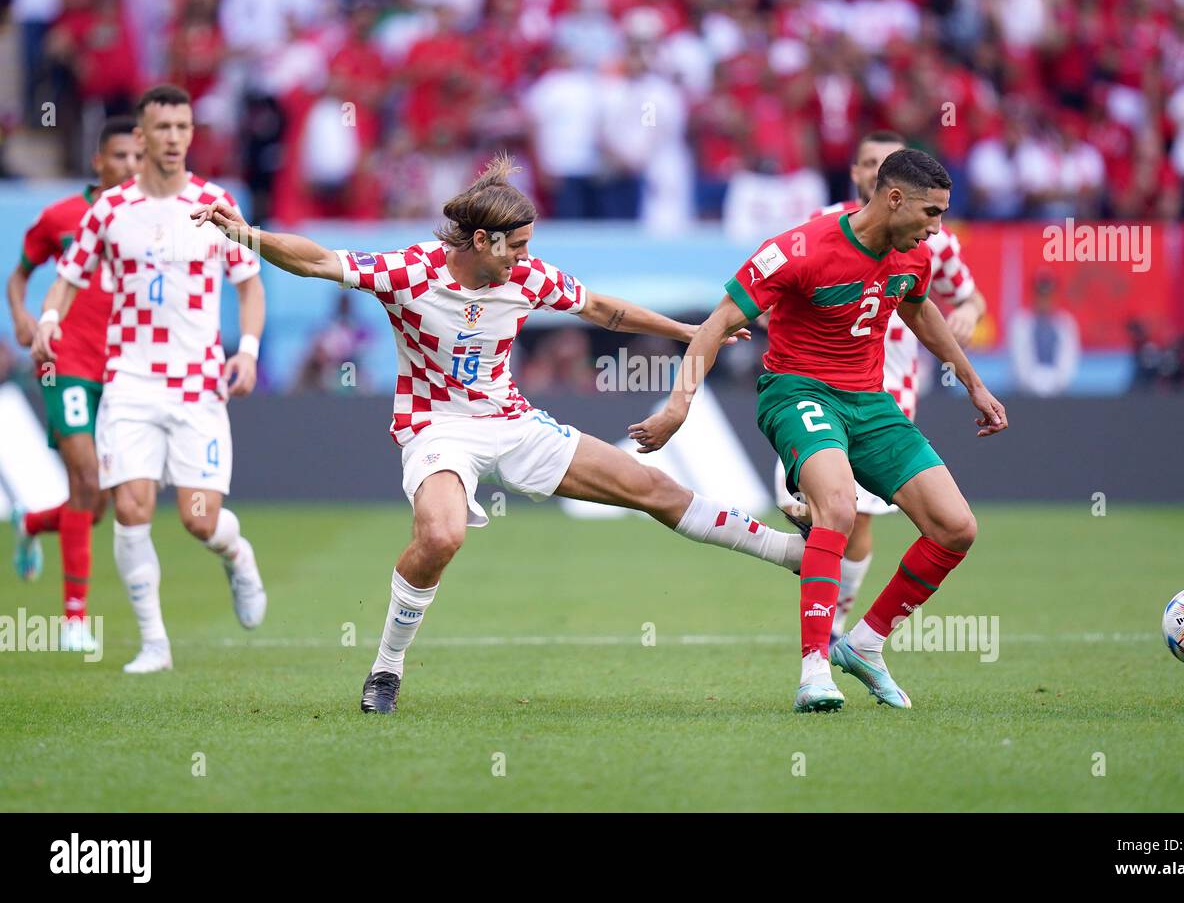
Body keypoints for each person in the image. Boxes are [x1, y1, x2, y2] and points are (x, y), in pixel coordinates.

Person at [190, 154, 809, 715]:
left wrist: (689, 332)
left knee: (652, 488)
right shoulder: (411, 271)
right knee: (441, 534)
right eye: (515, 246)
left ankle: (789, 554)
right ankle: (386, 667)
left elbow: (604, 311)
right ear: (481, 240)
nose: (524, 257)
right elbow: (318, 260)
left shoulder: (527, 277)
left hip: (510, 423)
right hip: (435, 427)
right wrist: (247, 234)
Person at [631, 149, 1008, 713]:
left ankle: (866, 645)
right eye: (931, 213)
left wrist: (975, 385)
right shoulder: (801, 248)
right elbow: (717, 323)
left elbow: (921, 312)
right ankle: (814, 671)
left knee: (956, 528)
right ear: (894, 198)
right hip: (798, 394)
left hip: (871, 404)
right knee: (837, 508)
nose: (937, 227)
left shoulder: (914, 258)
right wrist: (677, 408)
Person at [30, 84, 268, 674]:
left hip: (197, 385)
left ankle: (236, 554)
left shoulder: (216, 204)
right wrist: (50, 318)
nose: (172, 138)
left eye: (182, 128)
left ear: (191, 134)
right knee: (132, 507)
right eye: (160, 128)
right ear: (141, 136)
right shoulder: (110, 211)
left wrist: (250, 350)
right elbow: (68, 275)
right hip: (130, 383)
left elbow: (249, 284)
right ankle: (154, 645)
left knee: (198, 519)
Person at [774, 129, 987, 647]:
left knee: (856, 521)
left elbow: (968, 300)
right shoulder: (822, 224)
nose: (875, 169)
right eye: (868, 162)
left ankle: (840, 625)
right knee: (834, 510)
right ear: (858, 174)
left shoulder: (931, 236)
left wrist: (964, 316)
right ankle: (828, 628)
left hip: (889, 389)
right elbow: (785, 278)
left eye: (883, 162)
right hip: (816, 379)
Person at [7, 115, 141, 652]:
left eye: (138, 158)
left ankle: (33, 522)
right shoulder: (61, 217)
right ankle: (73, 619)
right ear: (98, 161)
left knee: (99, 500)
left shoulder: (147, 220)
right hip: (64, 363)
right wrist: (20, 314)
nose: (130, 166)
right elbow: (19, 272)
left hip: (123, 370)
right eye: (121, 157)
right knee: (84, 478)